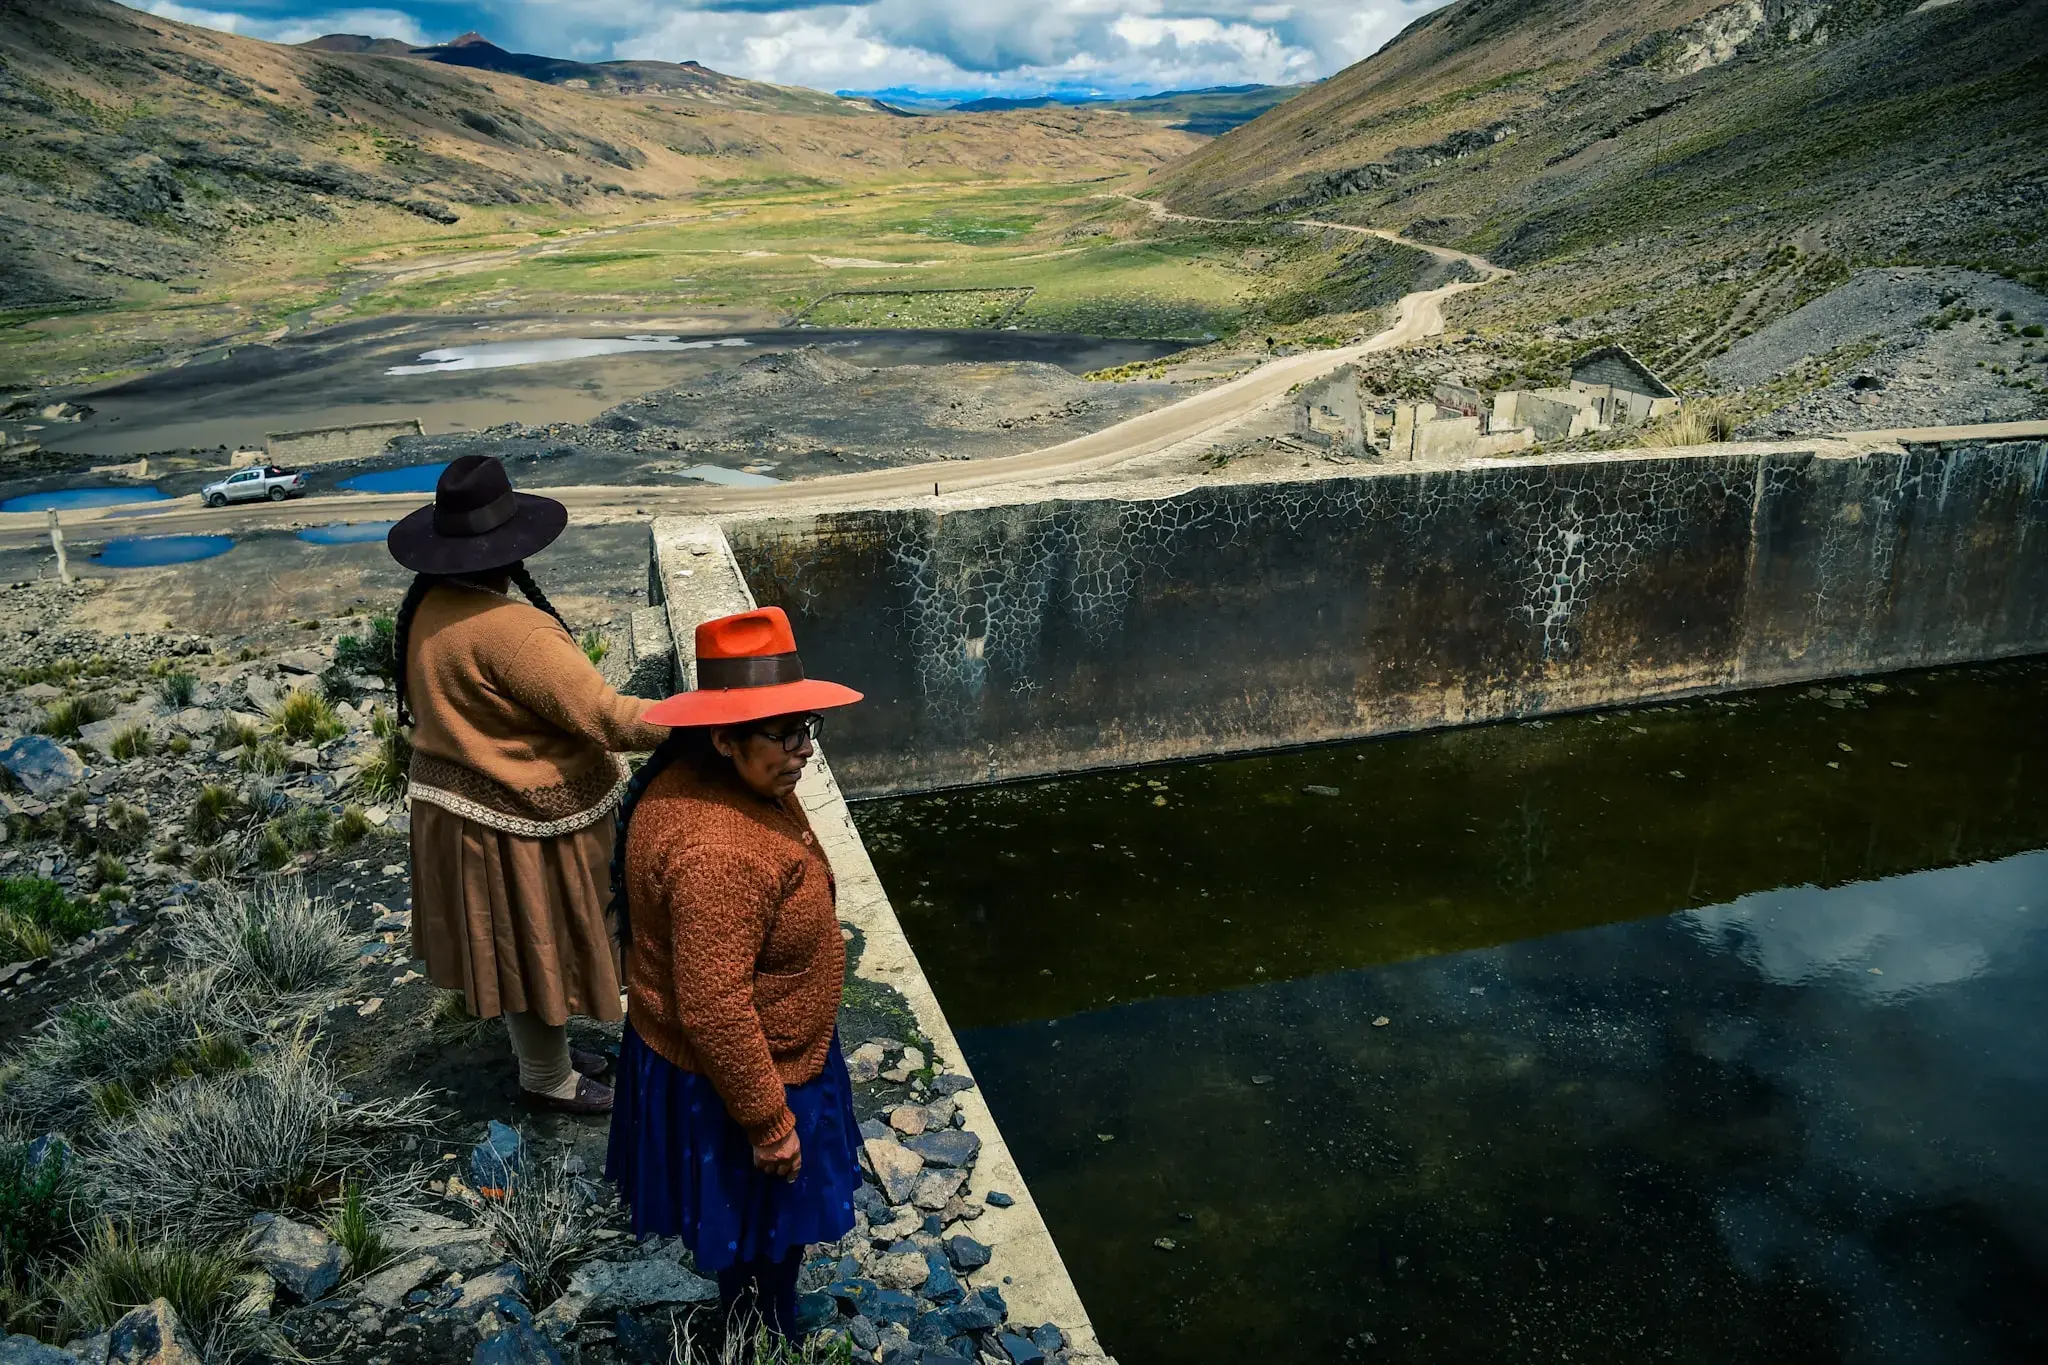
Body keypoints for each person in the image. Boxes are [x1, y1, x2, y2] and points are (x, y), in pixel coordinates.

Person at [606, 605, 865, 1339]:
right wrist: (769, 1121)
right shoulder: (720, 852)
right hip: (746, 1070)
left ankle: (755, 1323)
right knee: (764, 1223)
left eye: (807, 726)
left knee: (752, 1227)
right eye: (784, 734)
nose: (804, 749)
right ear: (723, 736)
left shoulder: (709, 777)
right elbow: (716, 1007)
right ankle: (763, 1337)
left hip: (759, 1052)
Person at [386, 455, 669, 1113]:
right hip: (516, 820)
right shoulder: (516, 632)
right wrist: (697, 717)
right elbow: (607, 717)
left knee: (517, 945)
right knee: (538, 943)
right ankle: (547, 1078)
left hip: (458, 811)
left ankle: (549, 1057)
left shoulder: (431, 604)